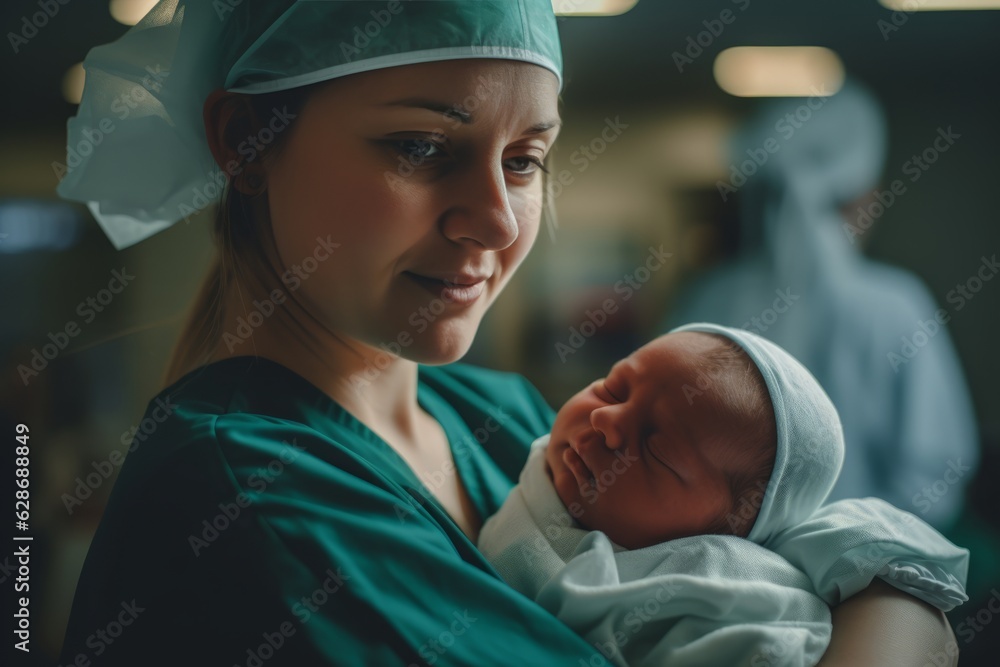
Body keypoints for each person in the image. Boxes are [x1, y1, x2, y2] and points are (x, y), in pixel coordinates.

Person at [54, 1, 962, 665]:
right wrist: (894, 611)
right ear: (247, 141)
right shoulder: (244, 496)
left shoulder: (496, 414)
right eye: (421, 146)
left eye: (524, 159)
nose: (497, 220)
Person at [478, 323, 969, 666]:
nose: (606, 420)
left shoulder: (723, 586)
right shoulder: (523, 443)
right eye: (612, 388)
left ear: (731, 529)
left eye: (657, 449)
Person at [663, 80, 978, 530]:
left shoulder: (708, 296)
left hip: (723, 573)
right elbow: (935, 473)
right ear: (863, 196)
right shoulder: (898, 305)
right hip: (863, 579)